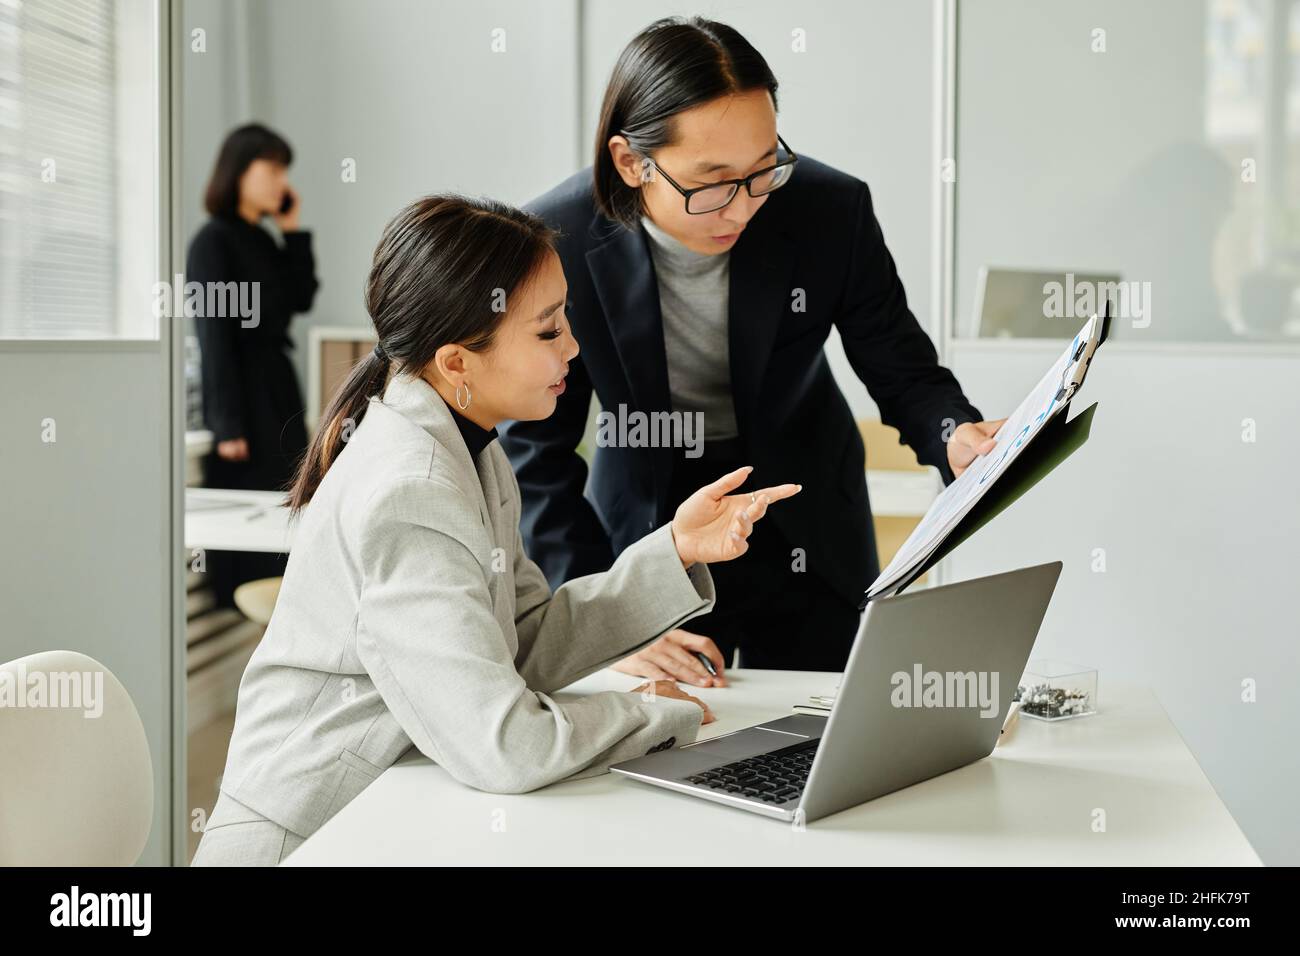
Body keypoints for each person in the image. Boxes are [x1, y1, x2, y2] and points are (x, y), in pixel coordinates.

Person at [191, 194, 799, 866]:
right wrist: (660, 717)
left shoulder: (471, 445)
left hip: (388, 807)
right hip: (309, 838)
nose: (574, 345)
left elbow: (520, 640)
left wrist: (676, 550)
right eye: (547, 331)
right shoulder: (412, 489)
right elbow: (506, 746)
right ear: (456, 363)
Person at [501, 16, 1004, 682]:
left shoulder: (829, 210)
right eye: (711, 184)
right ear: (632, 162)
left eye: (764, 170)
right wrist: (597, 612)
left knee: (815, 742)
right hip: (654, 525)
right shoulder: (555, 239)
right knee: (666, 745)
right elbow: (534, 449)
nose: (742, 209)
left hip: (803, 509)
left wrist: (954, 436)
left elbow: (900, 364)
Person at [188, 123, 319, 608]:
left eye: (284, 170)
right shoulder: (213, 242)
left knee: (287, 496)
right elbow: (213, 337)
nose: (281, 181)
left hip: (278, 387)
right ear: (239, 171)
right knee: (254, 504)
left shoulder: (263, 240)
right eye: (272, 169)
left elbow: (302, 298)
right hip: (241, 395)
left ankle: (285, 608)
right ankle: (250, 606)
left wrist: (291, 232)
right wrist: (226, 425)